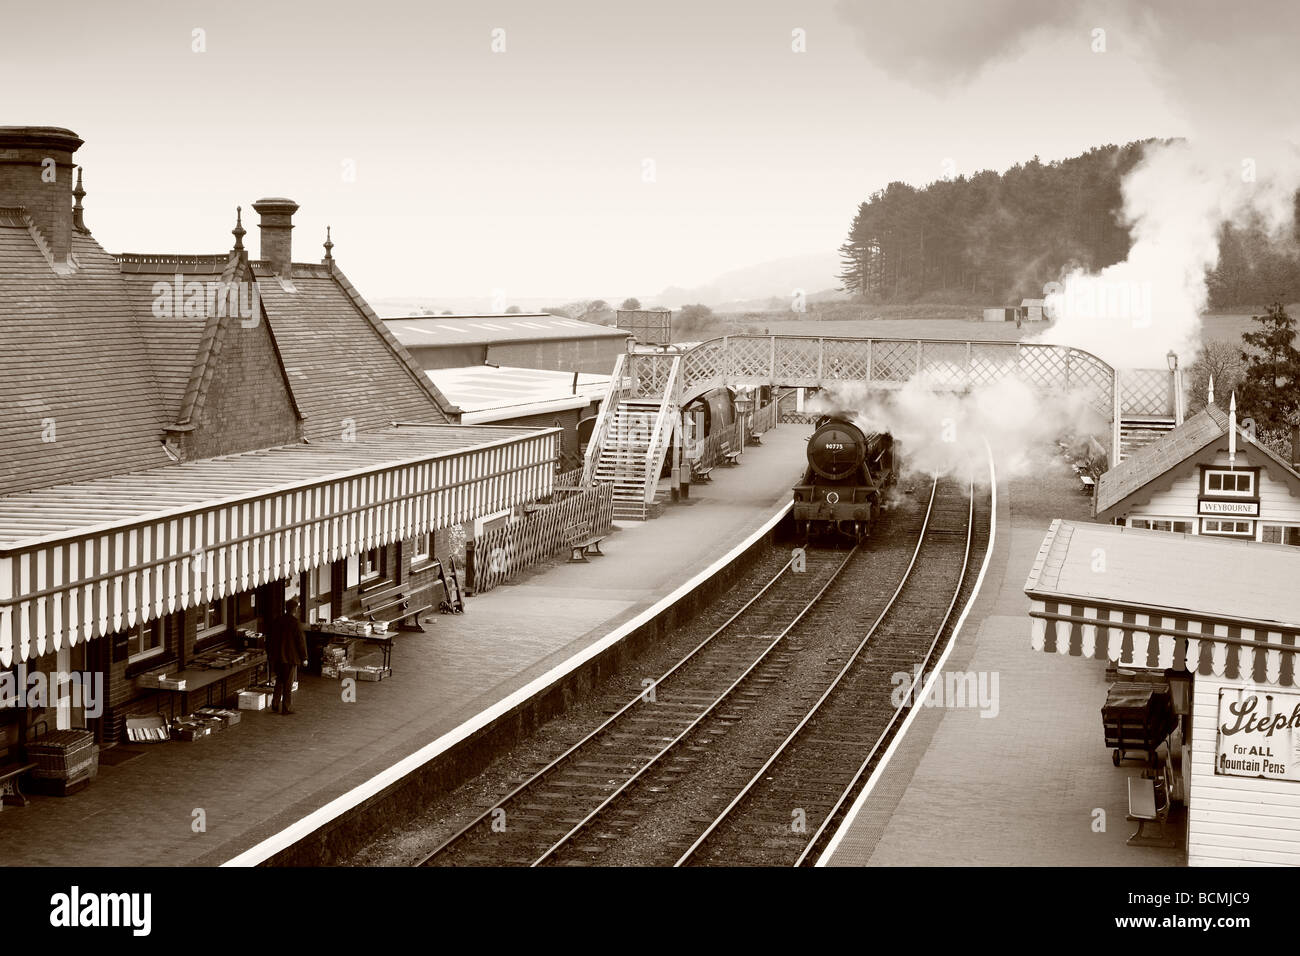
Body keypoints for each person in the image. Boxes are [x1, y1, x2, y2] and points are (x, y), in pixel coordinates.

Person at [267, 598, 308, 715]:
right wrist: (304, 657)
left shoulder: (277, 621)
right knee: (288, 684)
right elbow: (300, 642)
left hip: (277, 657)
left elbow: (270, 638)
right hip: (290, 658)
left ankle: (275, 704)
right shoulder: (295, 623)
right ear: (295, 609)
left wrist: (271, 654)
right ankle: (286, 707)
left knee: (279, 681)